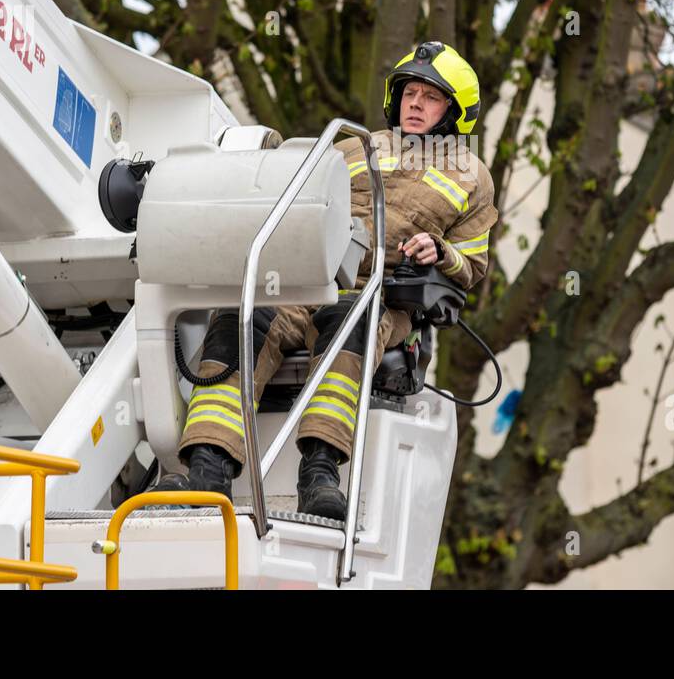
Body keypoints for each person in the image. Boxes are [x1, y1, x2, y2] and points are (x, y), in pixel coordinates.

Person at [150, 41, 498, 520]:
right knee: (240, 320)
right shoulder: (351, 145)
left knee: (348, 324)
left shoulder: (470, 176)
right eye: (409, 92)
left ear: (456, 112)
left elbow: (474, 265)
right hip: (302, 282)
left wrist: (441, 252)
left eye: (431, 97)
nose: (415, 103)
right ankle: (208, 471)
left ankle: (319, 474)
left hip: (376, 294)